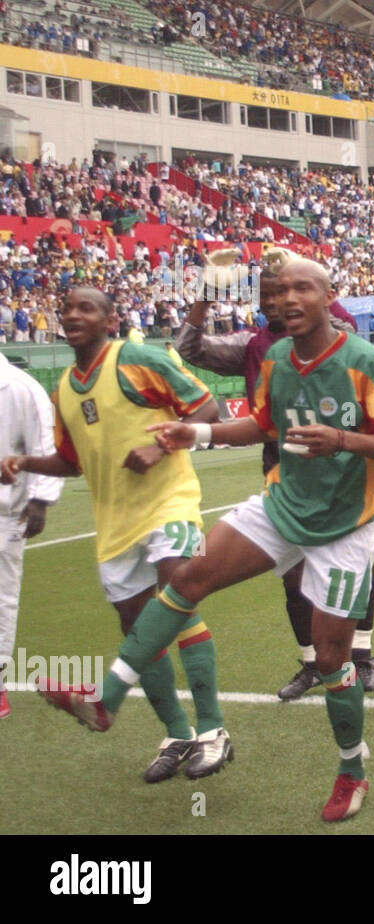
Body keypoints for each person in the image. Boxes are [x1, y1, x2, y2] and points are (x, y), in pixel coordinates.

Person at [30, 261, 374, 822]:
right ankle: (104, 702)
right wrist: (197, 432)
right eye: (278, 291)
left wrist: (343, 440)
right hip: (283, 503)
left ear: (330, 295)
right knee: (187, 578)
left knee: (332, 658)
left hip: (346, 523)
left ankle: (351, 769)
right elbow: (264, 426)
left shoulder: (366, 361)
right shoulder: (278, 358)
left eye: (302, 287)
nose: (287, 298)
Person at [1, 287, 231, 782]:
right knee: (137, 628)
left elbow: (207, 409)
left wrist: (163, 447)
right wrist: (23, 463)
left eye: (86, 307)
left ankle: (213, 729)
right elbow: (71, 460)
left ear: (111, 318)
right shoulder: (64, 387)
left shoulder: (137, 359)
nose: (73, 315)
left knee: (177, 601)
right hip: (114, 524)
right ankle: (178, 732)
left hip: (169, 502)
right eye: (66, 308)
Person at [175, 248, 374, 699]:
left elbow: (337, 314)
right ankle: (311, 662)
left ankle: (361, 657)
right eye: (267, 294)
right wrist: (206, 293)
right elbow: (188, 349)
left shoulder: (333, 335)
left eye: (285, 291)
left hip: (343, 466)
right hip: (280, 464)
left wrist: (292, 260)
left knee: (355, 566)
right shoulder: (252, 346)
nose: (275, 301)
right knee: (291, 572)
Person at [0, 351, 61, 719]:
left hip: (6, 513)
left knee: (1, 597)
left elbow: (44, 448)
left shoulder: (22, 388)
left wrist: (40, 500)